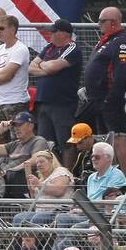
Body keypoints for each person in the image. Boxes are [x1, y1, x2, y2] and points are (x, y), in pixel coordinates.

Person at [81, 6, 126, 172]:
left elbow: (121, 72)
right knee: (104, 140)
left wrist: (112, 98)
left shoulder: (121, 41)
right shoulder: (106, 40)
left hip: (111, 99)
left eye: (102, 21)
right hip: (97, 99)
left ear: (113, 22)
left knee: (118, 137)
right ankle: (106, 174)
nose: (99, 24)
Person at [29, 19, 81, 156]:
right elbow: (31, 67)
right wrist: (47, 69)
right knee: (44, 143)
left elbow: (53, 67)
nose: (50, 34)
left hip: (62, 103)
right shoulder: (49, 47)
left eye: (54, 31)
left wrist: (45, 65)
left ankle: (67, 172)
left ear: (64, 34)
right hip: (44, 101)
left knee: (66, 141)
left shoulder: (72, 48)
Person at [0, 15, 31, 121]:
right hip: (0, 102)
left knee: (17, 137)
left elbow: (6, 76)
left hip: (17, 102)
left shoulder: (20, 49)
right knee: (1, 136)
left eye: (2, 28)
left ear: (12, 30)